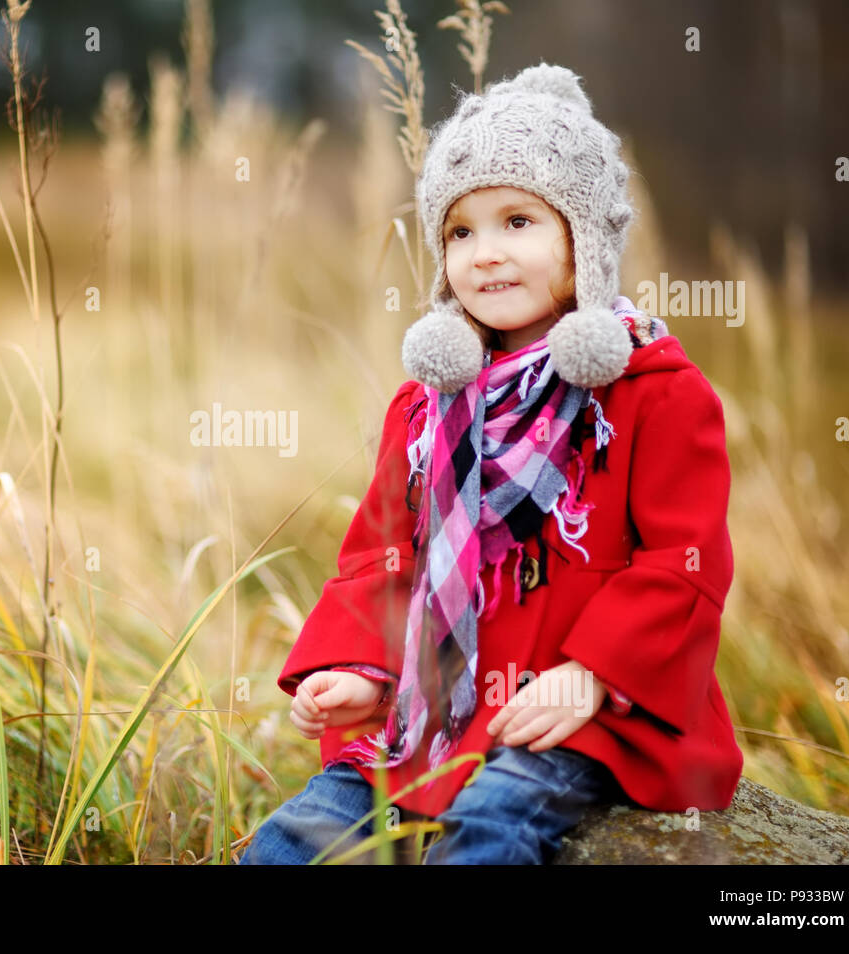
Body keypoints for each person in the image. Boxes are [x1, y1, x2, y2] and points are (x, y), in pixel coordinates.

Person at [239, 63, 742, 865]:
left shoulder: (655, 396)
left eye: (518, 221)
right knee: (294, 841)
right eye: (460, 231)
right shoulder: (428, 407)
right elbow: (383, 554)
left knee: (489, 829)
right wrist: (361, 668)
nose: (486, 255)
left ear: (585, 238)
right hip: (434, 710)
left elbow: (683, 566)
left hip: (593, 713)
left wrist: (592, 673)